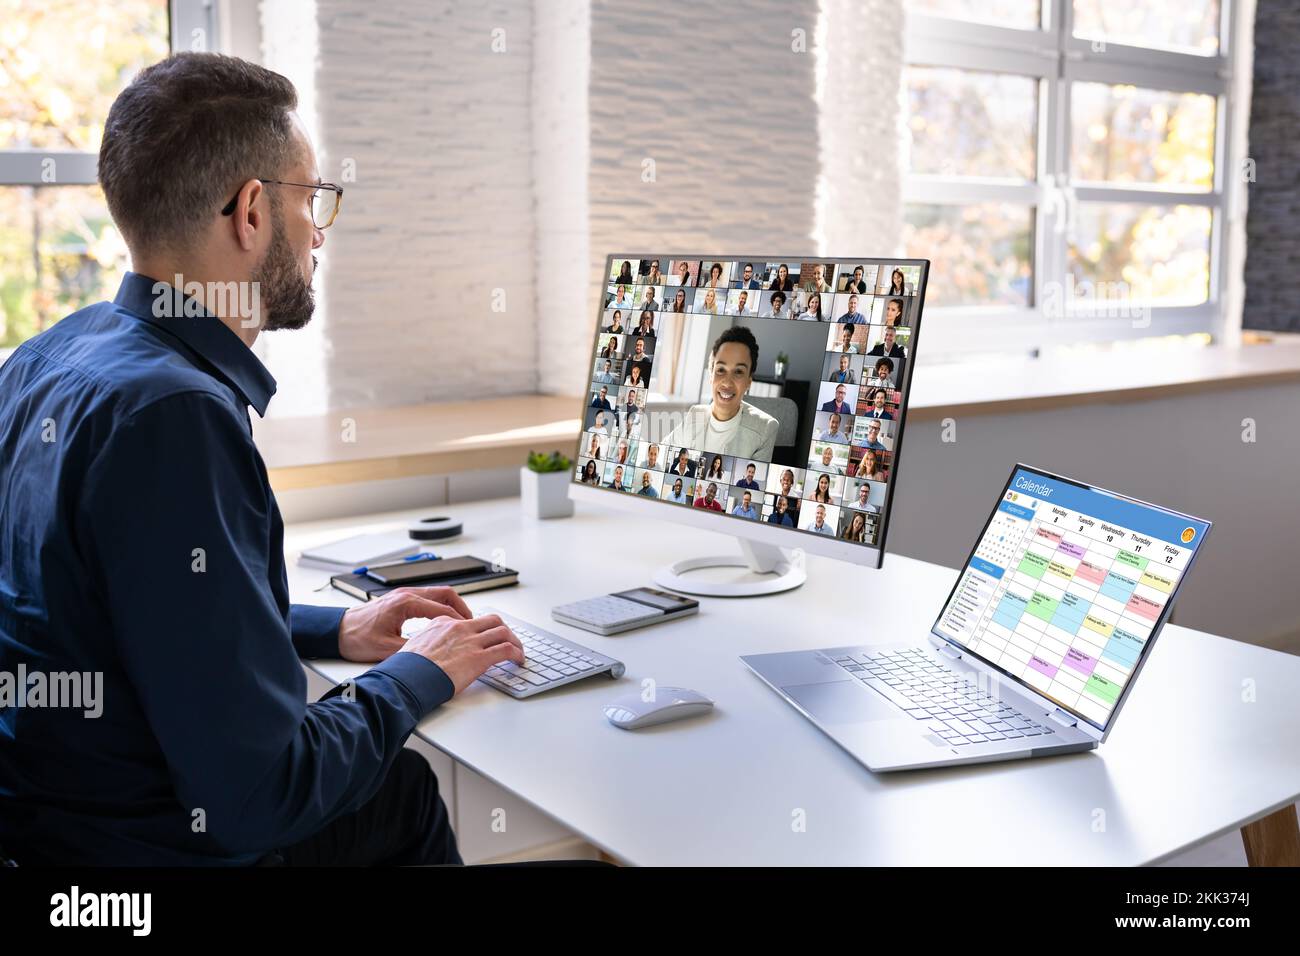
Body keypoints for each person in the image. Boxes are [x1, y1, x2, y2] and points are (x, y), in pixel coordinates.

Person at [0, 53, 532, 868]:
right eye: (310, 198)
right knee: (400, 784)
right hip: (153, 858)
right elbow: (259, 797)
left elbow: (137, 617)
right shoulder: (176, 418)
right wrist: (418, 674)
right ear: (252, 212)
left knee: (398, 792)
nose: (318, 231)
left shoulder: (42, 359)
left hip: (52, 837)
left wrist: (340, 628)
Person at [661, 326, 779, 459]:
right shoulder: (694, 414)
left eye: (739, 372)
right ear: (711, 375)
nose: (727, 383)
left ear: (749, 382)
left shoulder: (766, 429)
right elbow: (662, 454)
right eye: (721, 369)